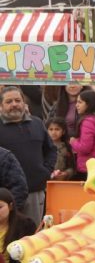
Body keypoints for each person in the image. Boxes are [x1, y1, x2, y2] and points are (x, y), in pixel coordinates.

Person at [0, 86, 57, 220]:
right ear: (1, 106)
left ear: (23, 103)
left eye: (17, 100)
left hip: (34, 192)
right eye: (9, 102)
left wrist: (45, 171)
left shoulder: (37, 123)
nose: (14, 104)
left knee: (32, 235)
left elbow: (51, 150)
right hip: (5, 195)